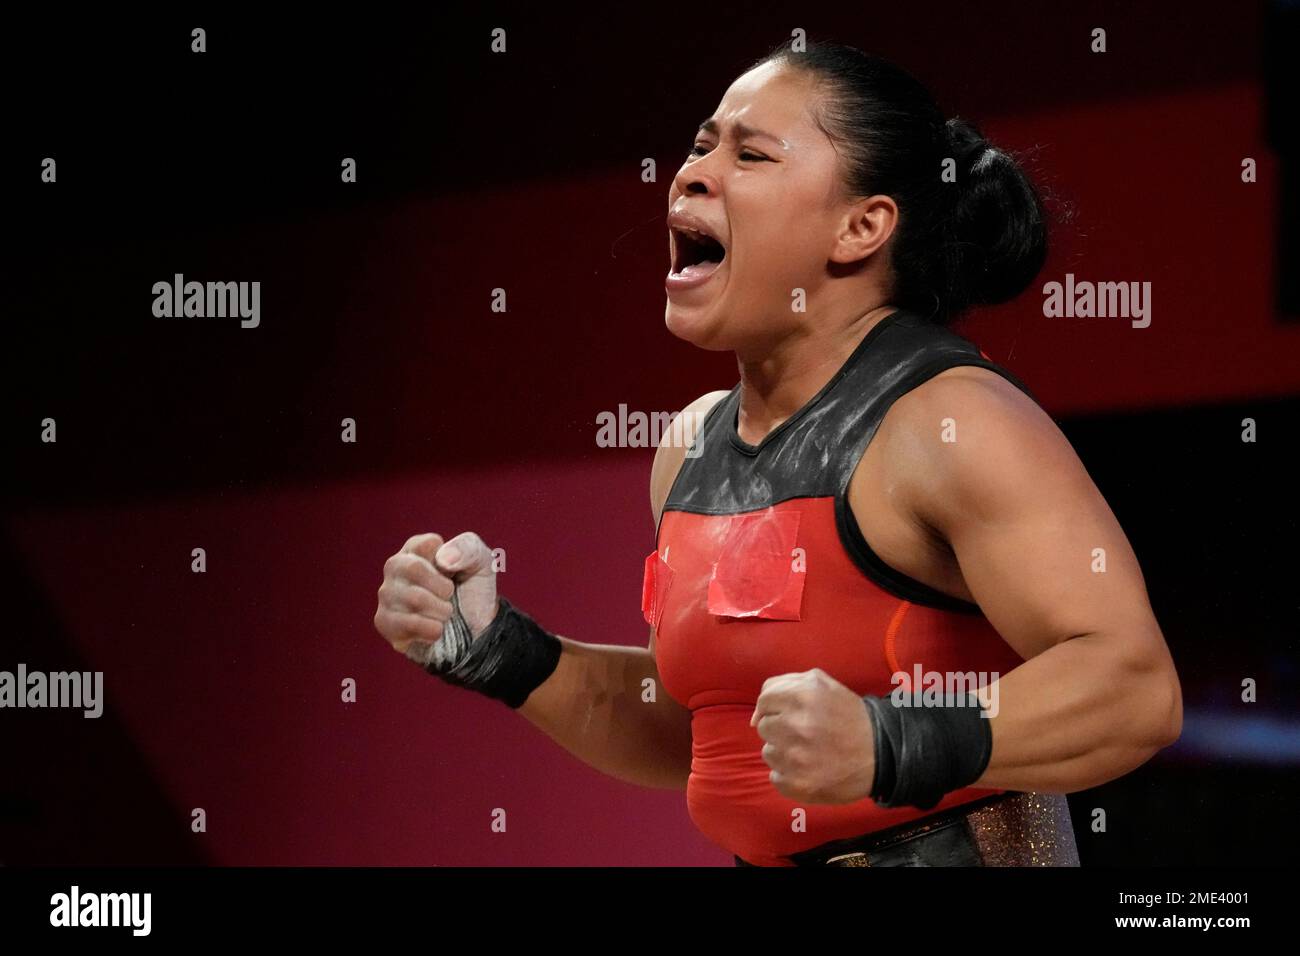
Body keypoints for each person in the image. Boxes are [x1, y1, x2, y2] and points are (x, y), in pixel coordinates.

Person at [373, 40, 1183, 867]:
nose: (690, 174)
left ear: (861, 226)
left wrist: (889, 740)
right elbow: (698, 737)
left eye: (750, 153)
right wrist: (499, 650)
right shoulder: (691, 444)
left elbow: (1133, 691)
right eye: (699, 146)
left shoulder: (951, 422)